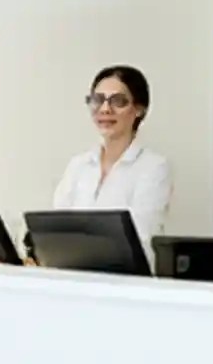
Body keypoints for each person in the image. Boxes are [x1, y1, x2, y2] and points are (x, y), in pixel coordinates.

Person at [26, 64, 172, 264]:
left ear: (139, 109)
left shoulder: (153, 168)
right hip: (72, 276)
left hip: (125, 282)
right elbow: (55, 230)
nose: (105, 109)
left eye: (118, 101)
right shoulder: (79, 165)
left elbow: (140, 240)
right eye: (98, 100)